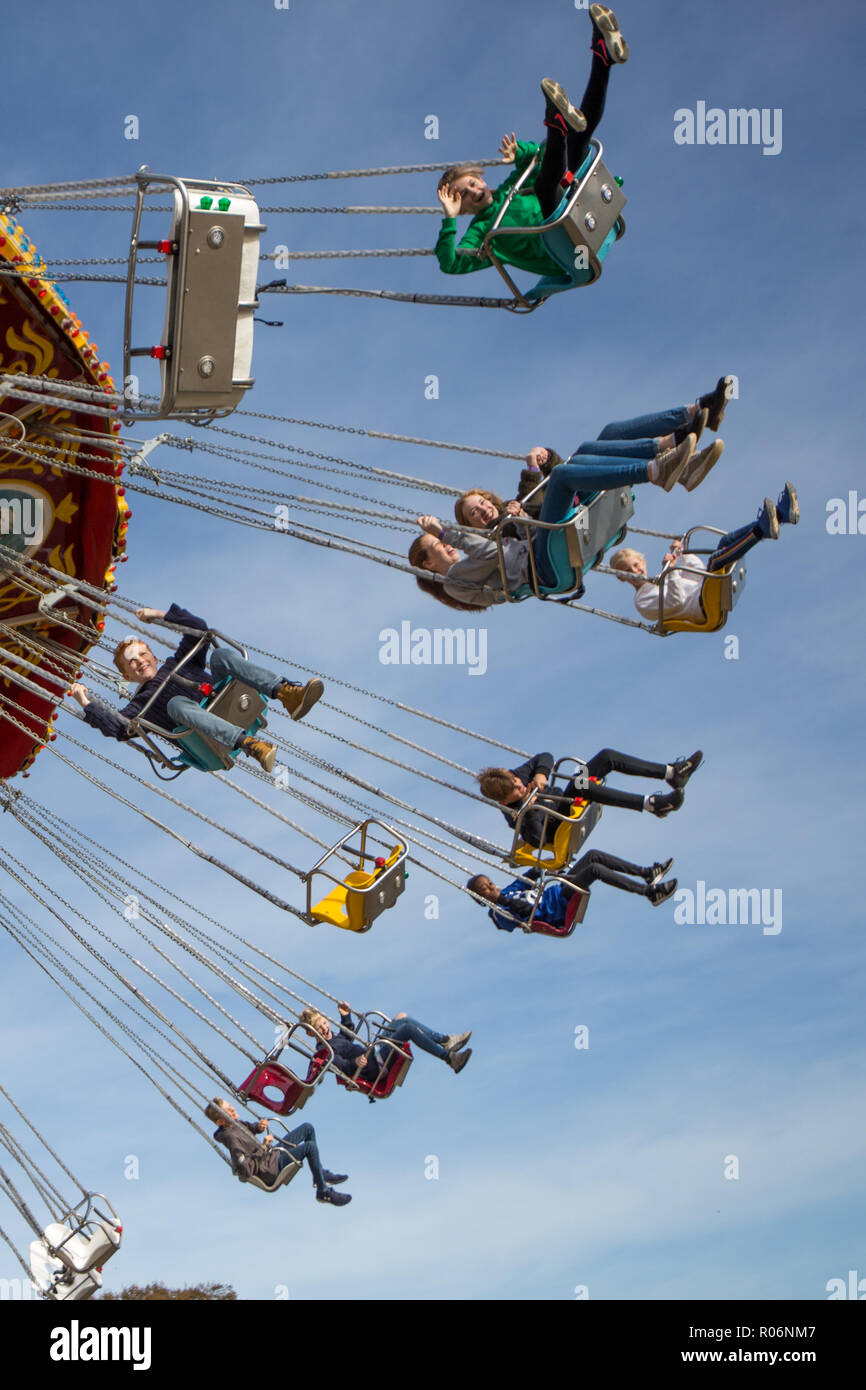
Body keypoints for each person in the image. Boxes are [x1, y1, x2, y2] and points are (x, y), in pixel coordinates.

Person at [409, 423, 719, 611]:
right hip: (545, 566)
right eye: (436, 542)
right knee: (562, 476)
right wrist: (446, 532)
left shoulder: (483, 541)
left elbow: (531, 508)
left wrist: (537, 465)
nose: (446, 542)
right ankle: (654, 470)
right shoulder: (455, 581)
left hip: (560, 538)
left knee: (595, 446)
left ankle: (681, 438)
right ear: (427, 564)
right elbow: (497, 553)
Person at [435, 5, 629, 283]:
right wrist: (449, 220)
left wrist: (520, 152)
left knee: (576, 142)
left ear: (481, 179)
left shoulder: (509, 190)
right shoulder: (481, 232)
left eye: (473, 183)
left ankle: (603, 54)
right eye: (464, 194)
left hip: (577, 207)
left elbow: (534, 159)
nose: (474, 190)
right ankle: (556, 123)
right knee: (543, 186)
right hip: (564, 246)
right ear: (462, 208)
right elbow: (450, 264)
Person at [69, 603, 324, 774]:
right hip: (208, 741)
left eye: (143, 654)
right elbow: (119, 728)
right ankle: (250, 745)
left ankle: (287, 694)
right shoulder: (142, 705)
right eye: (132, 662)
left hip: (233, 702)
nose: (140, 662)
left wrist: (159, 616)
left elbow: (199, 629)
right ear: (126, 675)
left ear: (154, 656)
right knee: (175, 704)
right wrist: (86, 703)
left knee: (221, 656)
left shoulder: (180, 661)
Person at [453, 381, 734, 532]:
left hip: (575, 500)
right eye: (473, 513)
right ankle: (671, 451)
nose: (481, 511)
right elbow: (544, 500)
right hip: (569, 524)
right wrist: (530, 475)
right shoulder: (499, 534)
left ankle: (696, 413)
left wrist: (546, 456)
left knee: (608, 433)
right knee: (572, 466)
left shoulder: (513, 504)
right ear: (471, 524)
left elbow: (551, 483)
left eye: (480, 503)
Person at [609, 483, 800, 625]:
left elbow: (697, 571)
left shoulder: (661, 578)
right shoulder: (643, 601)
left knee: (724, 544)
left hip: (704, 589)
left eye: (636, 564)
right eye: (628, 570)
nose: (635, 571)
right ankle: (761, 531)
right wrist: (673, 570)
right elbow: (677, 601)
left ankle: (781, 514)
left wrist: (682, 555)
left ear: (643, 561)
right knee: (717, 561)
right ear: (621, 577)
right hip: (703, 604)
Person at [479, 747, 703, 841]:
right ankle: (653, 805)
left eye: (518, 783)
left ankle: (672, 773)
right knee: (581, 785)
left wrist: (540, 775)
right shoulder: (513, 814)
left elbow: (544, 757)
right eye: (516, 791)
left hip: (563, 797)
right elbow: (538, 839)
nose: (521, 787)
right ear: (504, 801)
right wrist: (532, 809)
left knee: (606, 757)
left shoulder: (514, 777)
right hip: (559, 821)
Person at [468, 850, 678, 931]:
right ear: (481, 898)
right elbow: (523, 913)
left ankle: (646, 872)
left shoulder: (510, 890)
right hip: (557, 907)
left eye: (490, 882)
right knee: (594, 870)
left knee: (593, 856)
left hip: (559, 889)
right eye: (485, 889)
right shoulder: (498, 915)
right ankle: (649, 892)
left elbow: (532, 875)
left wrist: (550, 861)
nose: (492, 887)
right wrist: (500, 901)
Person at [205, 1098, 351, 1206]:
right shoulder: (231, 1138)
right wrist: (263, 1146)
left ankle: (320, 1174)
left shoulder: (236, 1124)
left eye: (230, 1106)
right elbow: (245, 1169)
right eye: (227, 1110)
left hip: (272, 1155)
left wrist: (259, 1127)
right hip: (269, 1168)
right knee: (310, 1147)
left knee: (308, 1128)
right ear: (220, 1122)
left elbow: (250, 1128)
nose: (232, 1109)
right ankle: (323, 1191)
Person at [300, 1002, 473, 1080]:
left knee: (401, 1017)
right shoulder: (323, 1052)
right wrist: (355, 1063)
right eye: (319, 1028)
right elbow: (342, 1066)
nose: (324, 1028)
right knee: (407, 1029)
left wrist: (345, 1017)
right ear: (312, 1034)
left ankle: (445, 1040)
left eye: (323, 1022)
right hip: (373, 1066)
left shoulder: (335, 1038)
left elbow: (348, 1037)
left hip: (374, 1054)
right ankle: (450, 1058)